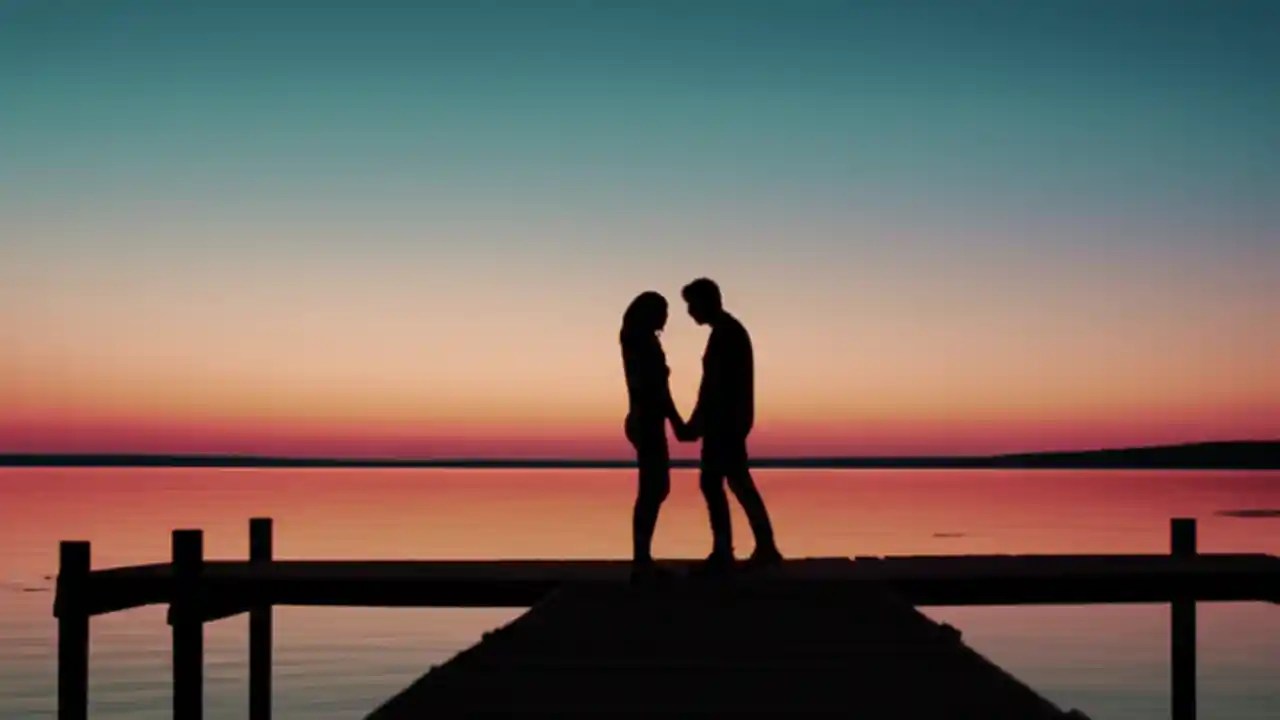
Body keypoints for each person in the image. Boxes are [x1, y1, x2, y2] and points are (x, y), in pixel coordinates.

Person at [678, 278, 782, 573]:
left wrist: (696, 424)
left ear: (707, 301)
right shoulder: (727, 332)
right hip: (728, 422)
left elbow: (714, 387)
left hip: (724, 423)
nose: (689, 312)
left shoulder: (726, 334)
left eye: (692, 305)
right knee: (737, 482)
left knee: (715, 483)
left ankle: (727, 551)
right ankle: (762, 546)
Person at [619, 291, 686, 580]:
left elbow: (659, 389)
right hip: (646, 420)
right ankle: (641, 562)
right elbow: (657, 389)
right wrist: (677, 422)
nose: (666, 317)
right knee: (653, 488)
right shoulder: (641, 343)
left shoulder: (642, 341)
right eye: (663, 311)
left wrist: (673, 421)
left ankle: (642, 559)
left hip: (647, 420)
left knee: (655, 488)